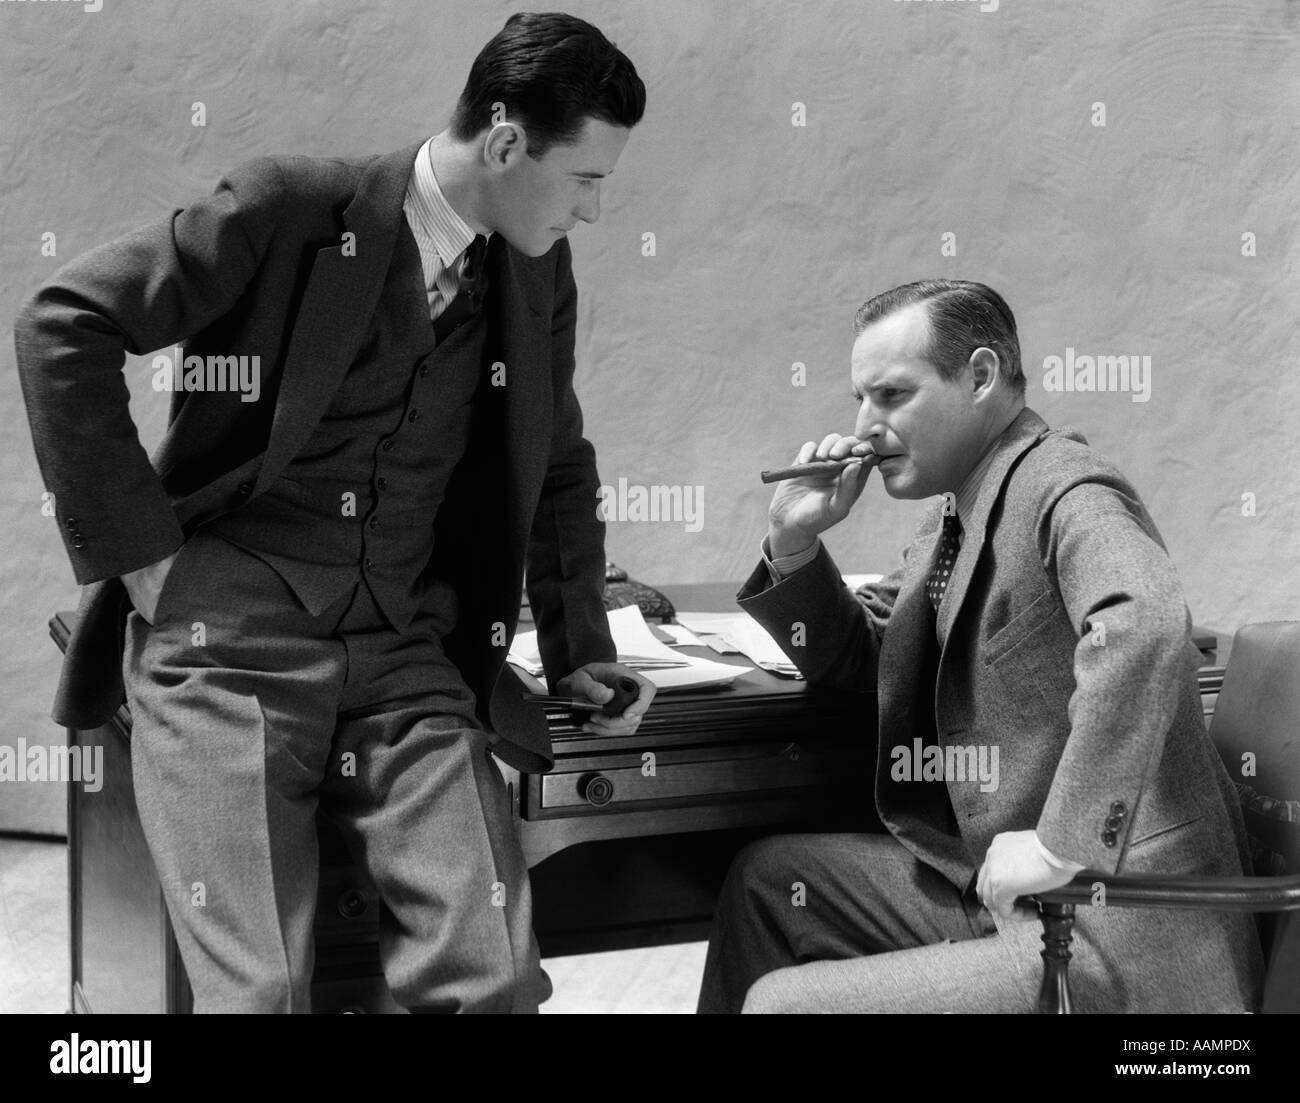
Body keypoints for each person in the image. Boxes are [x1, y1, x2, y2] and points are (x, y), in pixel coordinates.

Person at [15, 11, 653, 1014]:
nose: (595, 210)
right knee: (260, 990)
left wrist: (579, 646)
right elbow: (64, 321)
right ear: (503, 144)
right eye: (584, 179)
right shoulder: (291, 207)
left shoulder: (535, 269)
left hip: (405, 648)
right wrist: (143, 559)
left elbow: (556, 451)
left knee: (491, 974)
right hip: (229, 645)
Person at [697, 279, 1262, 1013]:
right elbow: (870, 661)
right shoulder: (955, 516)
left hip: (1116, 928)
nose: (865, 426)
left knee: (785, 1006)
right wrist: (794, 541)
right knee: (768, 885)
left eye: (893, 395)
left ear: (982, 377)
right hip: (1005, 897)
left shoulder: (1064, 484)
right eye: (860, 399)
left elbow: (1145, 623)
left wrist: (1061, 845)